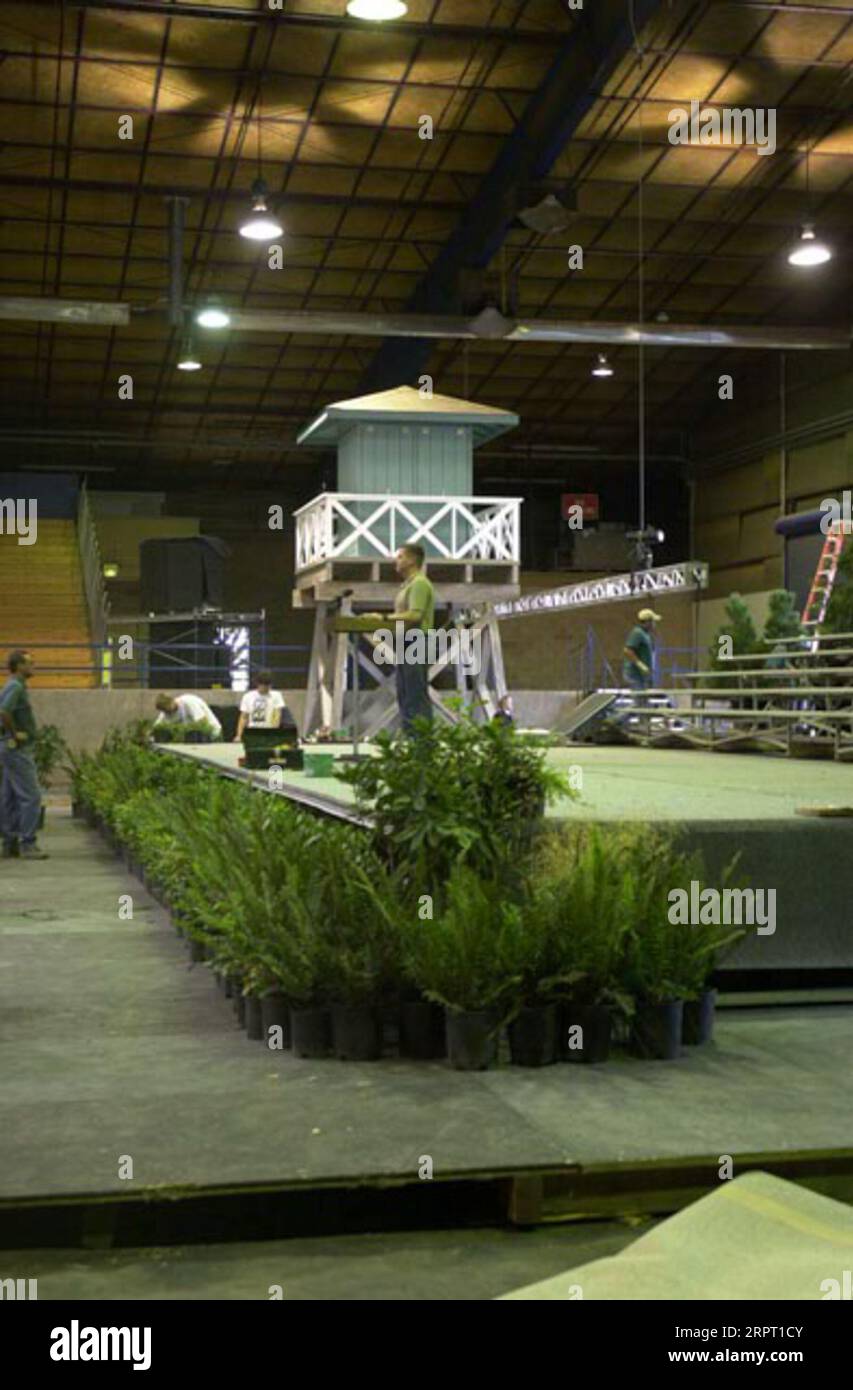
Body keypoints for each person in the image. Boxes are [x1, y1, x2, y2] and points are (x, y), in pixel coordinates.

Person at [363, 543, 436, 735]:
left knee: (415, 694)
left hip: (417, 640)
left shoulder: (420, 583)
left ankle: (422, 744)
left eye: (401, 556)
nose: (397, 560)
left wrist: (384, 618)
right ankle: (412, 738)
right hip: (405, 641)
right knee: (405, 694)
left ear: (412, 560)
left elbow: (414, 616)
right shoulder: (408, 585)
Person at [0, 649, 48, 860]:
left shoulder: (13, 685)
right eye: (30, 663)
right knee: (31, 796)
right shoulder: (16, 686)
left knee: (9, 796)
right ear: (19, 666)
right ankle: (28, 842)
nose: (33, 666)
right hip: (17, 749)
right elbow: (3, 711)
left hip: (9, 749)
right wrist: (15, 734)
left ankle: (10, 842)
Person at [234, 670, 287, 741]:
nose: (265, 688)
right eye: (263, 685)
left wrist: (273, 733)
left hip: (268, 732)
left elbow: (277, 716)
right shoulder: (248, 696)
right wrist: (239, 735)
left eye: (268, 685)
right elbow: (243, 718)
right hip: (252, 732)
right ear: (258, 684)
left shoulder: (276, 696)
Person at [153, 692, 222, 740]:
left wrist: (182, 730)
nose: (168, 713)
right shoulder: (165, 711)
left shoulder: (189, 702)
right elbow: (157, 726)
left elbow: (202, 721)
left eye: (168, 710)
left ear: (172, 701)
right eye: (165, 711)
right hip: (191, 739)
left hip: (212, 734)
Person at [622, 608, 661, 691]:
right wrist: (640, 665)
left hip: (642, 675)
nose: (654, 624)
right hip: (635, 674)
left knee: (643, 700)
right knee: (639, 701)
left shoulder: (645, 634)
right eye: (653, 621)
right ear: (647, 622)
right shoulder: (637, 633)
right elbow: (627, 650)